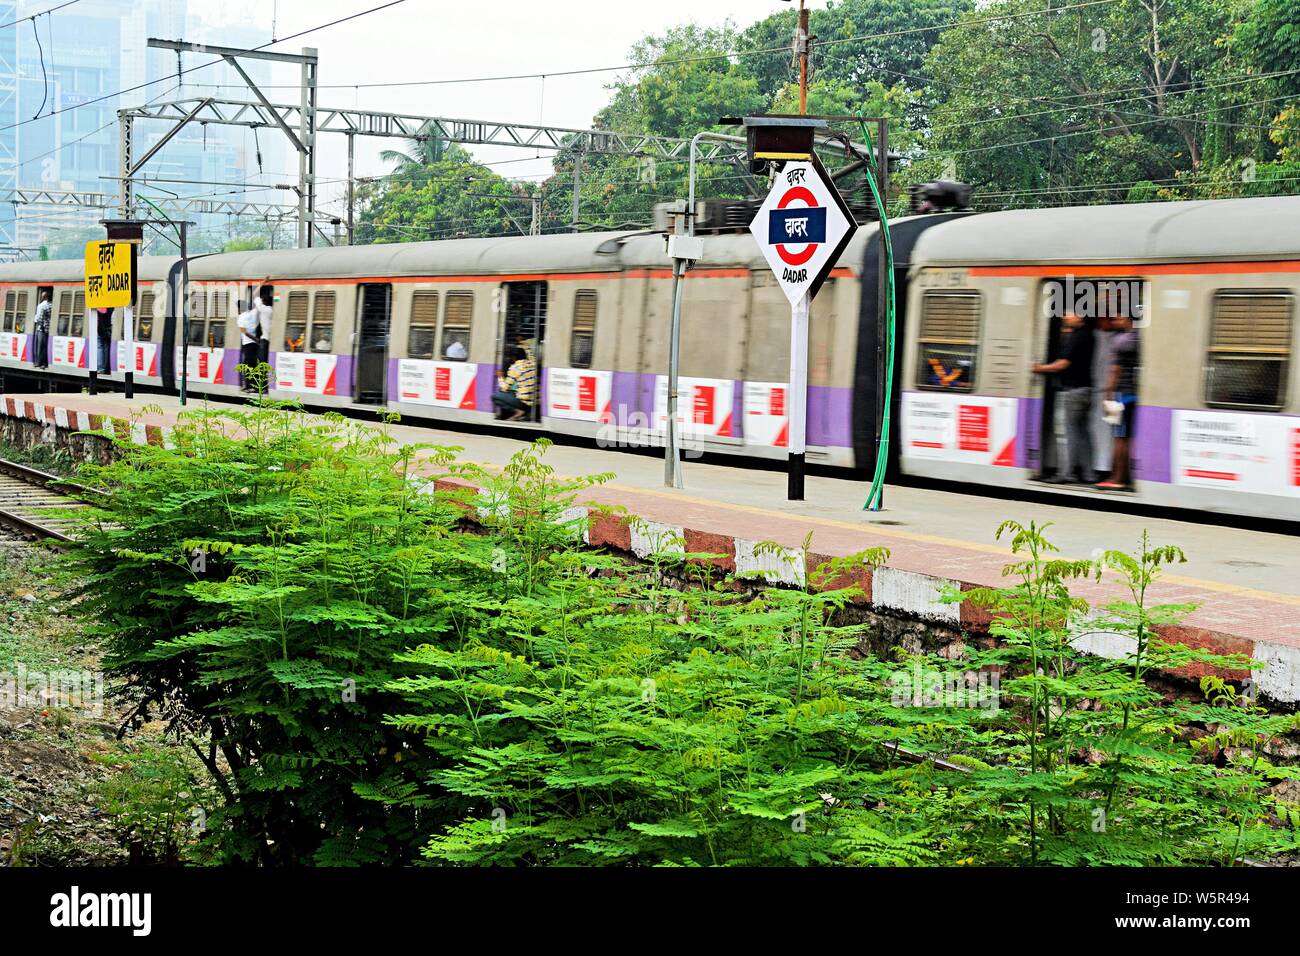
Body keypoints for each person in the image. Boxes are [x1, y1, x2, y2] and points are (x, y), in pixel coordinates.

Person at [1032, 311, 1095, 484]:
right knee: (1082, 433)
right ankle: (1089, 474)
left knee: (1067, 433)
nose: (1064, 317)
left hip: (1073, 391)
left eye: (1068, 314)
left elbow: (1063, 363)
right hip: (1085, 390)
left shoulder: (1077, 337)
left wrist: (1039, 368)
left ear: (1080, 316)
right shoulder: (1088, 334)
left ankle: (1065, 473)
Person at [1097, 312, 1140, 491]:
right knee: (1127, 438)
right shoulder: (1140, 339)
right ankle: (1125, 477)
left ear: (1128, 319)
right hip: (1134, 394)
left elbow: (1115, 370)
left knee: (1119, 439)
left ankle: (1116, 479)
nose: (1115, 320)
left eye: (1119, 317)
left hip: (1122, 394)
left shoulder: (1122, 341)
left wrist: (1108, 393)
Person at [491, 344, 537, 421]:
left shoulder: (515, 367)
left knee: (495, 397)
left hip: (523, 402)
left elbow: (504, 388)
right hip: (534, 401)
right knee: (513, 391)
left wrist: (500, 377)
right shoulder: (532, 364)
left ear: (514, 357)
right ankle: (525, 412)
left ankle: (519, 412)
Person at [237, 300, 261, 392]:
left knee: (248, 366)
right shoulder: (253, 313)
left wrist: (254, 339)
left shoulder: (241, 318)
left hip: (247, 344)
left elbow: (244, 332)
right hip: (255, 345)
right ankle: (253, 385)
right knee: (254, 365)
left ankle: (249, 386)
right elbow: (257, 306)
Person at [31, 290, 51, 369]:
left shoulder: (41, 306)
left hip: (41, 328)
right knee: (45, 346)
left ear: (43, 297)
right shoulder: (51, 305)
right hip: (48, 329)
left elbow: (38, 319)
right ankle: (45, 363)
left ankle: (39, 362)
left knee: (40, 346)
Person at [255, 287, 272, 365]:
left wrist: (262, 282)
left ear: (263, 302)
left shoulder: (264, 309)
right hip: (269, 339)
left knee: (261, 362)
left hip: (264, 340)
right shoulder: (271, 310)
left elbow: (255, 294)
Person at [95, 307, 112, 373]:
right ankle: (106, 368)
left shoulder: (101, 307)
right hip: (107, 330)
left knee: (99, 347)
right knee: (106, 348)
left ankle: (100, 368)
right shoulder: (111, 307)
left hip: (100, 330)